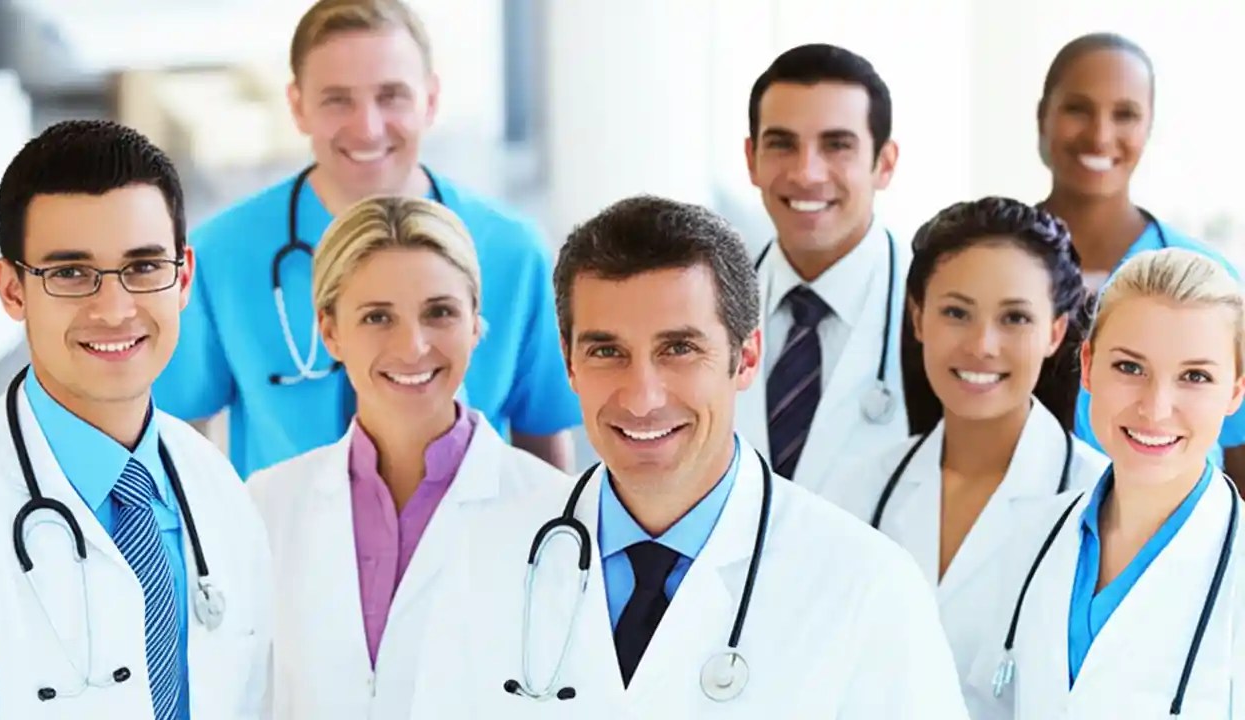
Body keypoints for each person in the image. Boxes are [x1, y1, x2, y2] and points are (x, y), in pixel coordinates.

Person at [403, 195, 969, 718]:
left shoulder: (866, 585)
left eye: (678, 349)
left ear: (745, 357)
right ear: (570, 364)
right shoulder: (478, 561)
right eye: (607, 351)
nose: (642, 396)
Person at [152, 0, 579, 478]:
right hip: (284, 545)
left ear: (431, 100)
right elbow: (180, 434)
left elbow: (542, 440)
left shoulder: (514, 251)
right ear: (297, 105)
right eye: (338, 99)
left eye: (392, 96)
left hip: (475, 541)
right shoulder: (222, 254)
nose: (368, 127)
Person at [0, 120, 272, 719]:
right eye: (71, 273)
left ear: (181, 278)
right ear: (12, 291)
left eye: (143, 266)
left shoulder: (219, 490)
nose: (114, 308)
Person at [244, 195, 568, 718]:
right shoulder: (268, 503)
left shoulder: (554, 512)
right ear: (330, 332)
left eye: (440, 312)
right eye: (377, 317)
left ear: (475, 323)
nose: (413, 346)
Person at [822, 197, 1110, 719]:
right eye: (956, 312)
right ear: (918, 318)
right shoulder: (853, 495)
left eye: (1015, 318)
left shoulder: (1101, 506)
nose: (982, 345)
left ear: (1055, 332)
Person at [970, 248, 1245, 718]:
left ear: (1235, 392)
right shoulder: (1028, 536)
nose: (1156, 408)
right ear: (1089, 364)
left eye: (1195, 376)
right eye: (1130, 368)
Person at [1035, 31, 1245, 480]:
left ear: (1149, 128)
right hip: (1021, 537)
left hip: (1181, 543)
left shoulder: (1210, 279)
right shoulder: (993, 263)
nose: (1100, 134)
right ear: (1043, 116)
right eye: (1078, 108)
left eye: (1125, 114)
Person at [737, 43, 910, 495]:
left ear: (885, 164)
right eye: (782, 144)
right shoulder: (708, 310)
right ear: (751, 159)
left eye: (837, 146)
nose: (807, 173)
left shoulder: (934, 313)